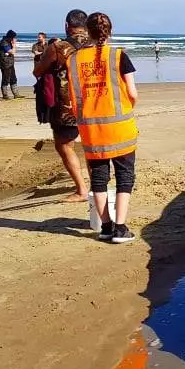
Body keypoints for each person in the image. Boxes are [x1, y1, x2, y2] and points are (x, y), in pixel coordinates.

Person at [67, 12, 139, 243]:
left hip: (91, 129)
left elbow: (73, 98)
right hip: (120, 128)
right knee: (124, 176)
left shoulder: (74, 59)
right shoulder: (118, 56)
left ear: (87, 31)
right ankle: (120, 228)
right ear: (110, 31)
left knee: (99, 178)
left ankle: (106, 227)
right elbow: (132, 93)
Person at [33, 10, 91, 202]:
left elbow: (38, 71)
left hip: (67, 105)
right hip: (95, 102)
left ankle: (82, 190)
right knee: (93, 145)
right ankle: (97, 185)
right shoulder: (96, 45)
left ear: (67, 26)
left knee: (65, 145)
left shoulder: (58, 48)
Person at [0, 30, 23, 99]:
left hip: (10, 63)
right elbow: (12, 52)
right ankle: (5, 95)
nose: (14, 39)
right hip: (5, 64)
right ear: (10, 37)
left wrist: (12, 48)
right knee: (5, 79)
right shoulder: (4, 42)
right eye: (13, 37)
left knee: (13, 78)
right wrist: (14, 45)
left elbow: (11, 52)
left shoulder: (9, 42)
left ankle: (16, 94)